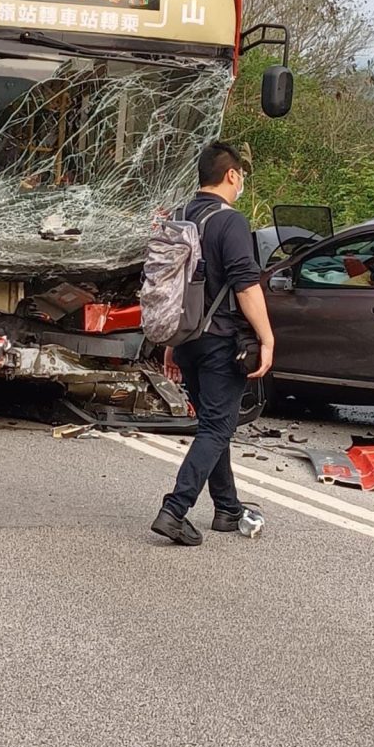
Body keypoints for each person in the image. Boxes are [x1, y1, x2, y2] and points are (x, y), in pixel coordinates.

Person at [150, 142, 275, 546]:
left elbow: (174, 286)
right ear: (232, 175)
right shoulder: (230, 221)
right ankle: (175, 509)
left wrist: (171, 341)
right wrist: (267, 337)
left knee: (212, 426)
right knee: (219, 426)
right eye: (241, 176)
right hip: (223, 341)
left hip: (186, 337)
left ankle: (227, 510)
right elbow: (245, 282)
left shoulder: (180, 217)